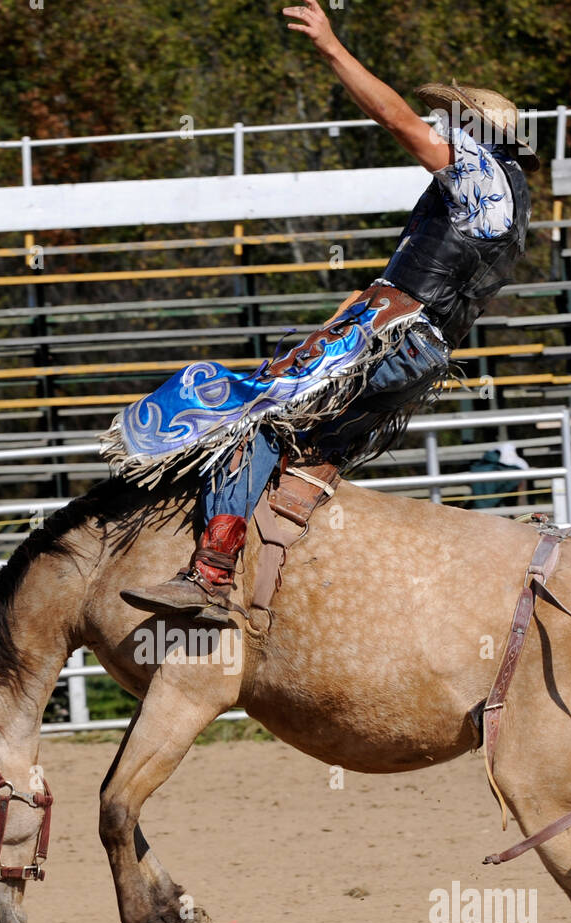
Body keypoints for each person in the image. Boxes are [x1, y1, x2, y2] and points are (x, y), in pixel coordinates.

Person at [107, 0, 538, 625]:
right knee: (301, 450)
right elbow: (419, 280)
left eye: (448, 117)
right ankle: (286, 582)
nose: (436, 123)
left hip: (392, 344)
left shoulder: (475, 169)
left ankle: (211, 574)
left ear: (471, 127)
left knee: (250, 416)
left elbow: (393, 119)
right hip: (419, 356)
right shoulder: (502, 200)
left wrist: (331, 46)